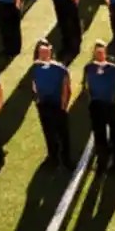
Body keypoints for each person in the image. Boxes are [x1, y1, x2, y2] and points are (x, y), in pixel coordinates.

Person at [84, 41, 115, 172]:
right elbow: (86, 86)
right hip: (96, 105)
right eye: (97, 52)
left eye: (101, 52)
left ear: (106, 53)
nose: (99, 55)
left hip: (111, 105)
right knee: (99, 135)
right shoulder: (89, 68)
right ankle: (102, 160)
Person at [31, 39, 72, 168]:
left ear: (50, 51)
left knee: (62, 134)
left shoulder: (60, 69)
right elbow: (34, 85)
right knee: (48, 133)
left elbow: (66, 88)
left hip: (57, 105)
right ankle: (52, 157)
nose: (43, 54)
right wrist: (38, 100)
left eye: (45, 51)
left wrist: (64, 106)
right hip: (44, 105)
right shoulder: (36, 67)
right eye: (40, 52)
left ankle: (66, 159)